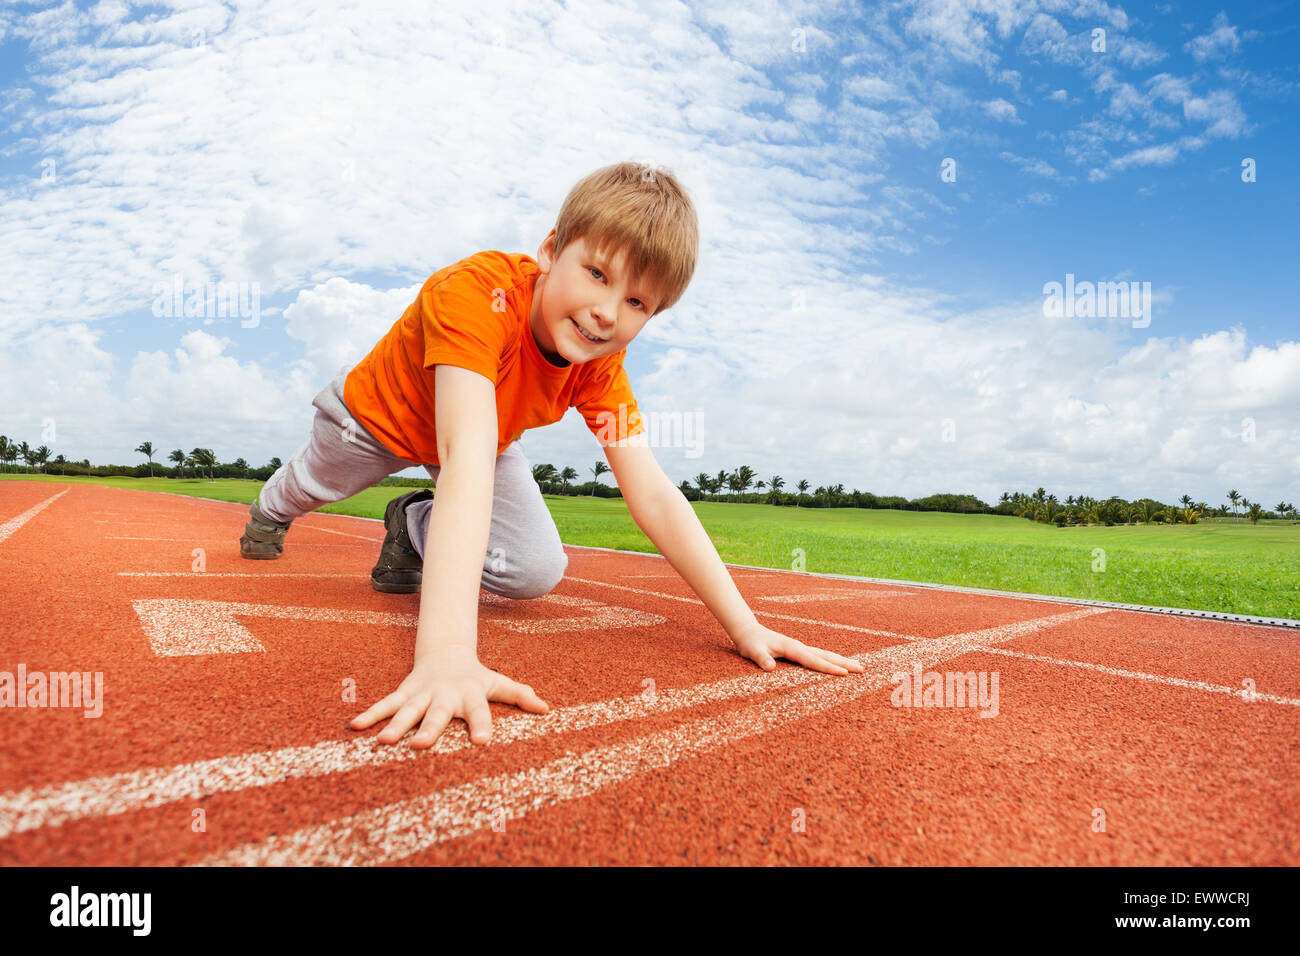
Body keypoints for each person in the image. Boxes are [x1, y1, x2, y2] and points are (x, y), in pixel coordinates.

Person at [238, 161, 864, 750]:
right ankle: (270, 508)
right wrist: (446, 655)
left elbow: (649, 493)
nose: (605, 312)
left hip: (480, 444)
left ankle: (410, 522)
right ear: (550, 250)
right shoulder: (474, 292)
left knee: (534, 569)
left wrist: (745, 626)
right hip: (375, 420)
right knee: (309, 486)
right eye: (597, 273)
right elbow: (464, 452)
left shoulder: (600, 368)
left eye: (637, 303)